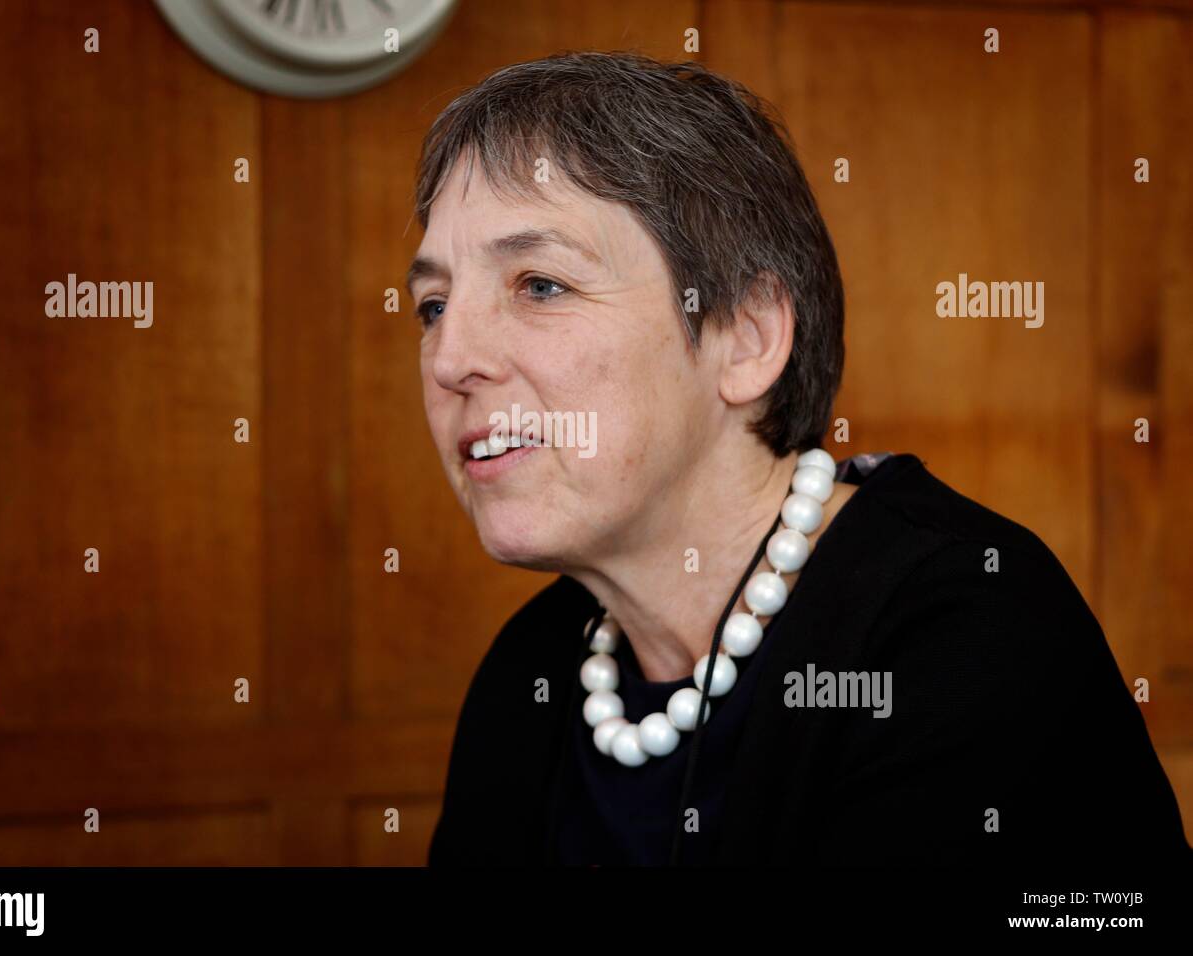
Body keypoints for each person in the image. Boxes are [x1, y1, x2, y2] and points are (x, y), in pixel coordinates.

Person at [407, 51, 1188, 865]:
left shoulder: (968, 635)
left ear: (747, 338)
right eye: (433, 305)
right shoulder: (530, 672)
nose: (448, 357)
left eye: (539, 285)